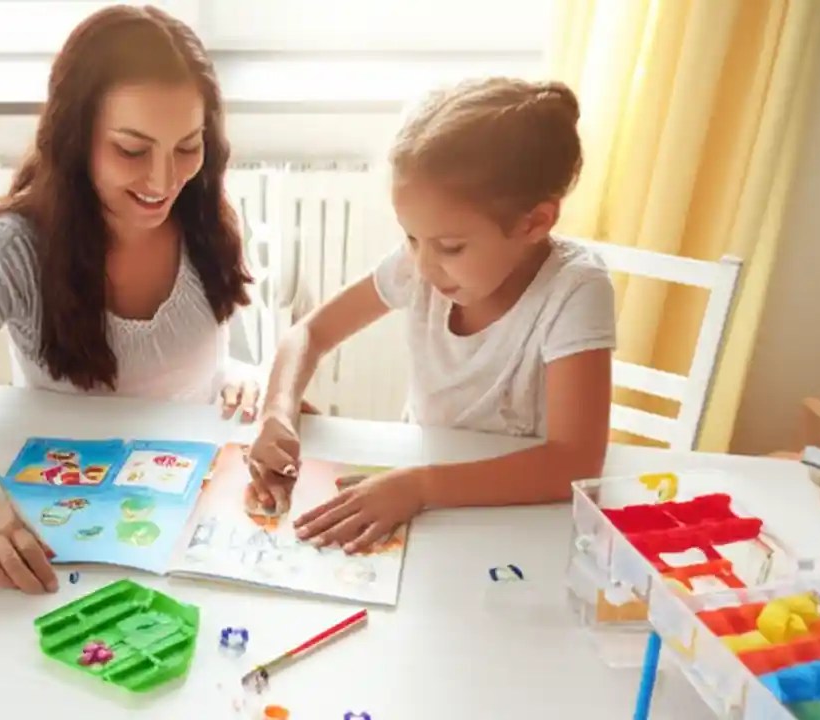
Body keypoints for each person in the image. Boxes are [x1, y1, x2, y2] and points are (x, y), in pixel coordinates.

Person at [0, 5, 255, 595]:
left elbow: (198, 352)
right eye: (132, 150)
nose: (165, 181)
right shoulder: (9, 251)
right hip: (78, 529)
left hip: (196, 513)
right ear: (75, 138)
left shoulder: (204, 216)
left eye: (187, 147)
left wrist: (242, 375)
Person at [247, 78, 616, 553]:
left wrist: (418, 487)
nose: (422, 265)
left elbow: (574, 463)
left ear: (534, 223)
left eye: (450, 247)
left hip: (519, 520)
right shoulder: (421, 267)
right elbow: (310, 333)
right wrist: (277, 412)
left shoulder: (575, 289)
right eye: (411, 238)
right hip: (423, 497)